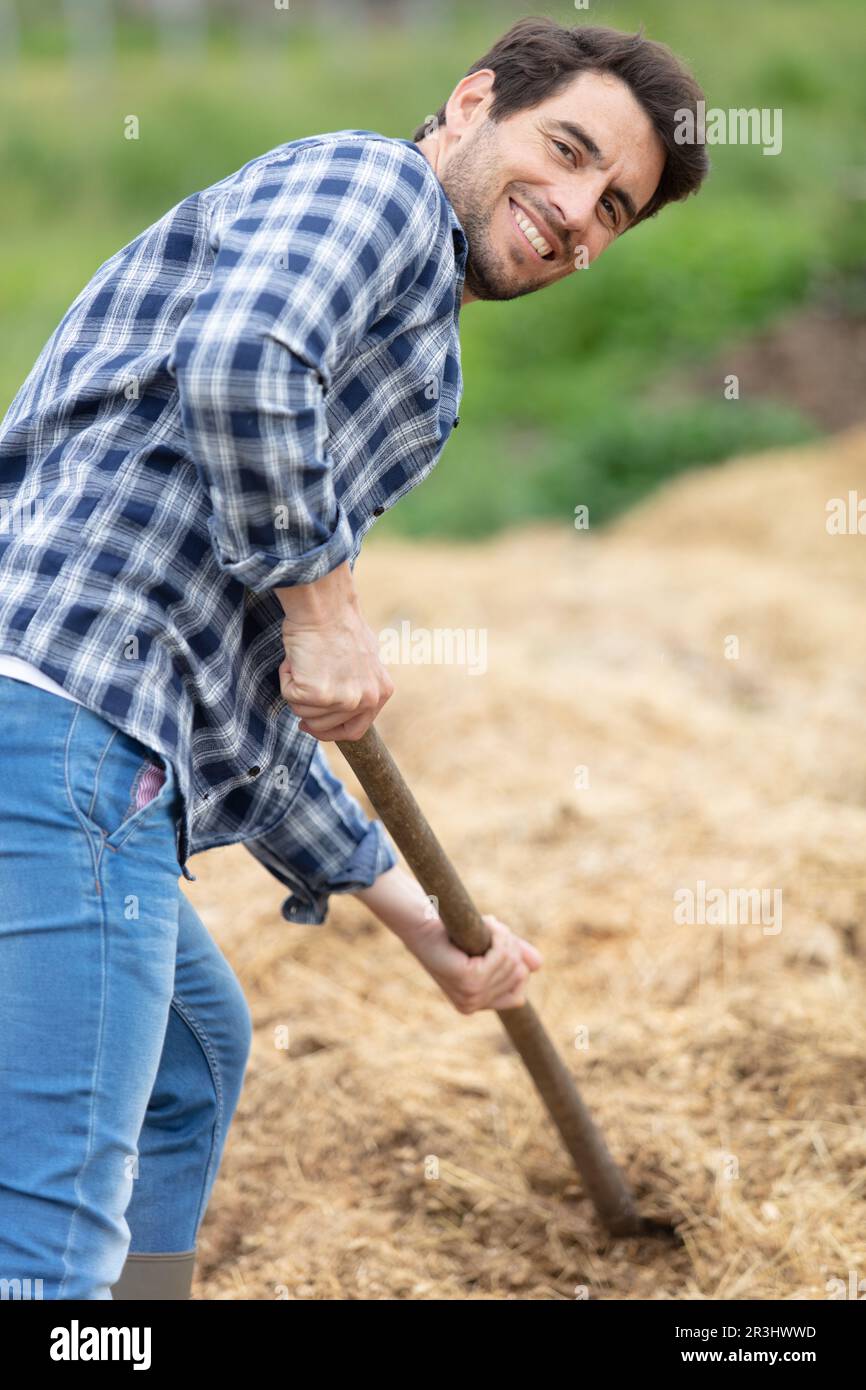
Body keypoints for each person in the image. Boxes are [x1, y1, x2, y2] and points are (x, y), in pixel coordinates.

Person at [0, 17, 708, 1300]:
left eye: (613, 208)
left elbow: (253, 709)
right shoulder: (371, 185)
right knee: (45, 1242)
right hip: (60, 718)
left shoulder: (419, 363)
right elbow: (242, 359)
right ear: (471, 101)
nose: (573, 214)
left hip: (91, 727)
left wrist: (422, 923)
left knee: (194, 1055)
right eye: (564, 152)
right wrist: (324, 598)